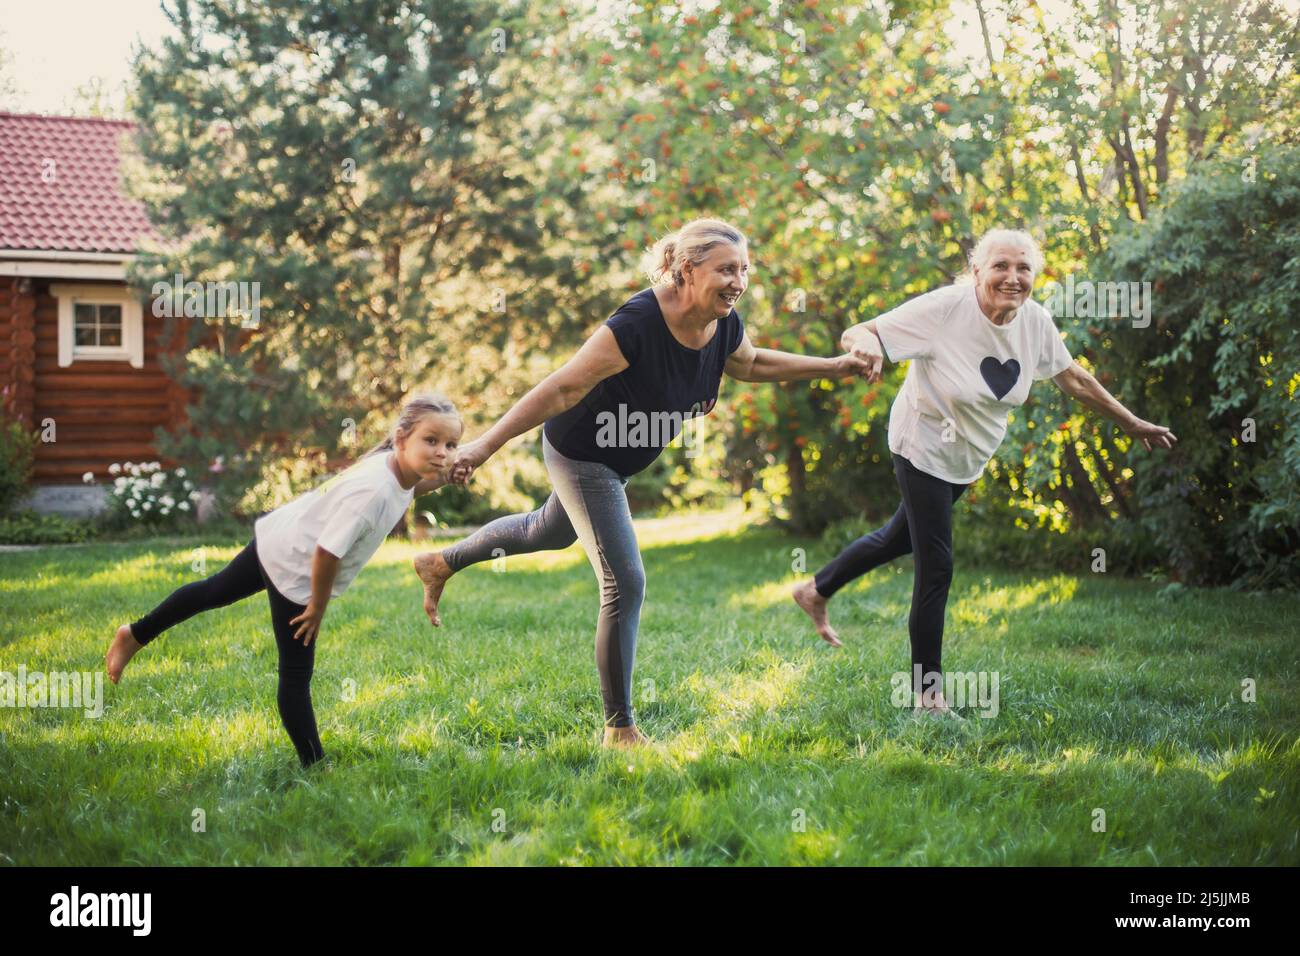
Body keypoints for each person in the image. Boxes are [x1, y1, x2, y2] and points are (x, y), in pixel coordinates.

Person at [413, 218, 875, 747]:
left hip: (621, 459)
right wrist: (482, 447)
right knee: (625, 581)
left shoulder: (722, 323)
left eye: (744, 270)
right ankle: (620, 730)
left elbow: (749, 363)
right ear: (686, 269)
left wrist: (835, 366)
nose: (739, 281)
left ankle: (440, 561)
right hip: (584, 453)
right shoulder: (636, 324)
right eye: (726, 269)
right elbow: (562, 388)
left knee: (547, 530)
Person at [792, 229, 1177, 714]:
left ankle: (814, 589)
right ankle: (927, 695)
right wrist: (865, 347)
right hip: (921, 442)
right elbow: (860, 331)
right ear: (977, 271)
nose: (1012, 278)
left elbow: (1074, 379)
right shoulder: (946, 309)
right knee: (937, 564)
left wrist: (1132, 423)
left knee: (898, 538)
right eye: (1000, 267)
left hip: (967, 456)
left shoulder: (1033, 321)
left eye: (1023, 269)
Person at [104, 393, 464, 766]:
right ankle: (315, 765)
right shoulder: (371, 491)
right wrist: (316, 607)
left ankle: (135, 633)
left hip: (280, 538)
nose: (442, 452)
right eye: (431, 440)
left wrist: (449, 475)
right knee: (295, 673)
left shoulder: (395, 471)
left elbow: (412, 488)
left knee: (213, 590)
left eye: (451, 444)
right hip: (297, 567)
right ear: (402, 438)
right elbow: (327, 552)